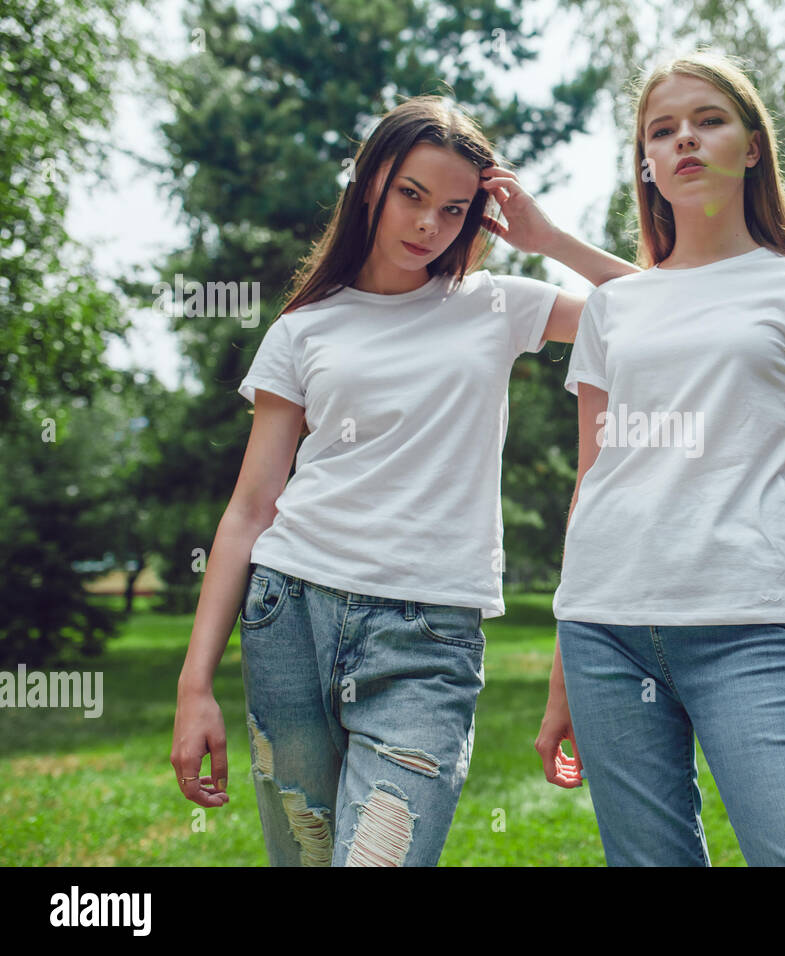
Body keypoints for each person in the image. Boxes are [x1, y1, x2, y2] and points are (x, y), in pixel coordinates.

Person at [170, 94, 637, 866]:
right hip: (290, 612)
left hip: (430, 637)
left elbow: (659, 313)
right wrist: (194, 688)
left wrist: (548, 238)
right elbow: (250, 509)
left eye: (454, 209)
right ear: (370, 184)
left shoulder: (495, 306)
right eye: (411, 196)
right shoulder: (303, 329)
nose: (429, 225)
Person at [535, 51, 785, 866]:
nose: (685, 140)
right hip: (603, 632)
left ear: (752, 147)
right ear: (648, 167)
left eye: (709, 120)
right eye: (663, 131)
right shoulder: (614, 308)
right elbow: (593, 482)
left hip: (746, 628)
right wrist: (562, 674)